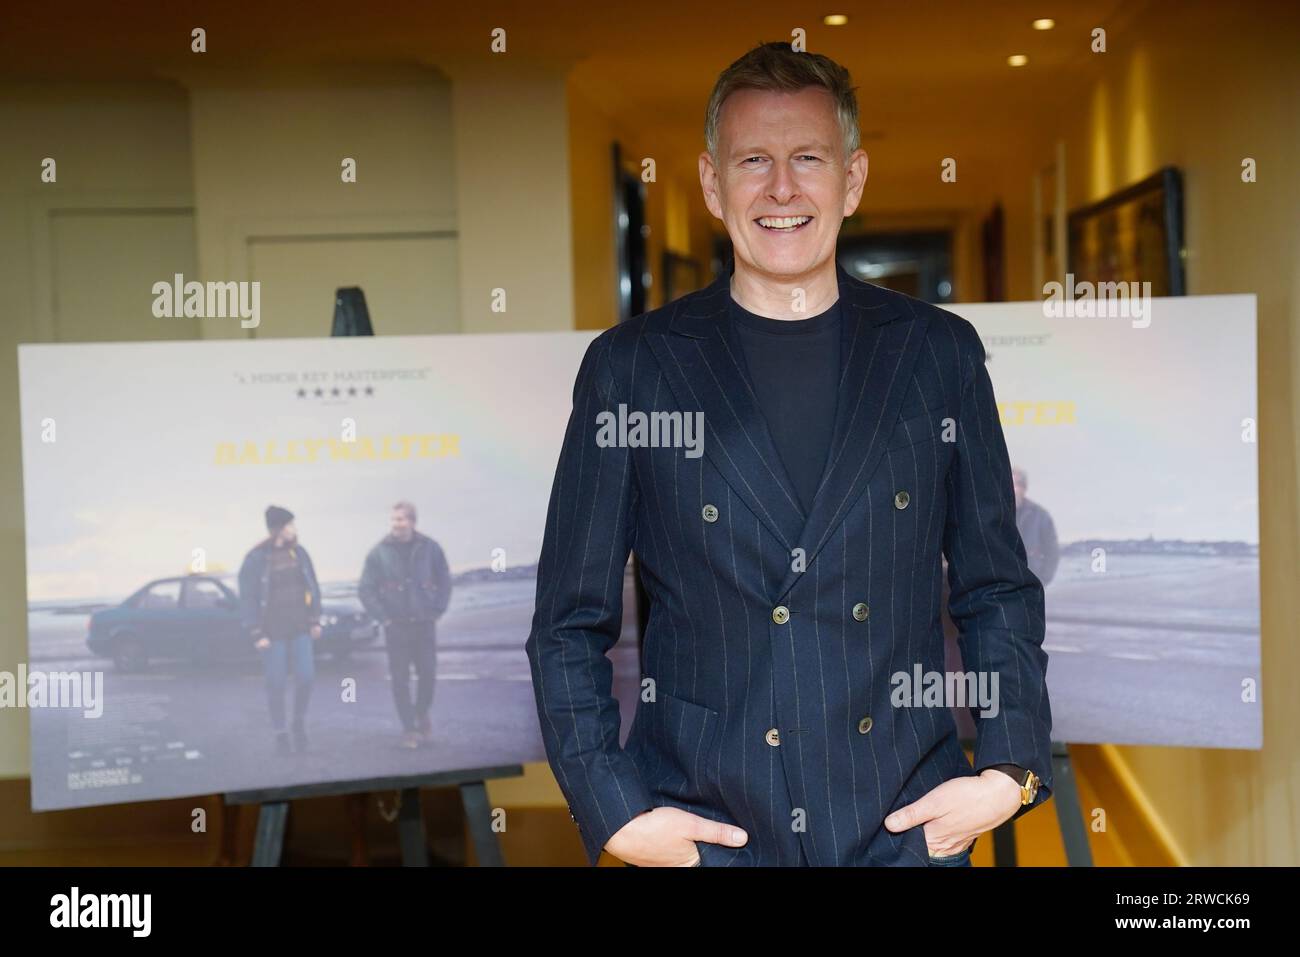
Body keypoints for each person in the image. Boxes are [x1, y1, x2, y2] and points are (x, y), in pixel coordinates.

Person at [525, 41, 1052, 867]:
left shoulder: (938, 355)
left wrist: (1009, 769)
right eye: (753, 161)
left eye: (808, 158)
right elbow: (567, 621)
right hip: (707, 830)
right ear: (709, 182)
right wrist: (614, 810)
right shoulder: (631, 368)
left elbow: (996, 586)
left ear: (853, 178)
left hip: (903, 826)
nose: (781, 188)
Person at [359, 501, 452, 749]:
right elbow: (365, 590)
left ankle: (421, 713)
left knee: (428, 675)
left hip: (423, 624)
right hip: (396, 627)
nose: (395, 524)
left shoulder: (430, 548)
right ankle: (409, 729)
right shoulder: (378, 552)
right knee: (399, 680)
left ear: (412, 521)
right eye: (393, 520)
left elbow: (444, 580)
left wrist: (437, 610)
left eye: (400, 519)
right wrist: (384, 617)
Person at [237, 505, 321, 755]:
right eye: (290, 524)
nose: (295, 529)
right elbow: (248, 598)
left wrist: (315, 619)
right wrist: (255, 632)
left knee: (306, 677)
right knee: (276, 683)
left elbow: (313, 587)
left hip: (300, 628)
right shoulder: (255, 558)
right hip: (272, 633)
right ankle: (280, 731)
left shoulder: (300, 553)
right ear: (278, 529)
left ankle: (298, 721)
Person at [1013, 467, 1061, 586]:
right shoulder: (995, 514)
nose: (1012, 489)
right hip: (1002, 584)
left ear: (1024, 488)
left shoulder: (1040, 516)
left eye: (1016, 484)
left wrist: (1042, 579)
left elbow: (1052, 551)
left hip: (1030, 581)